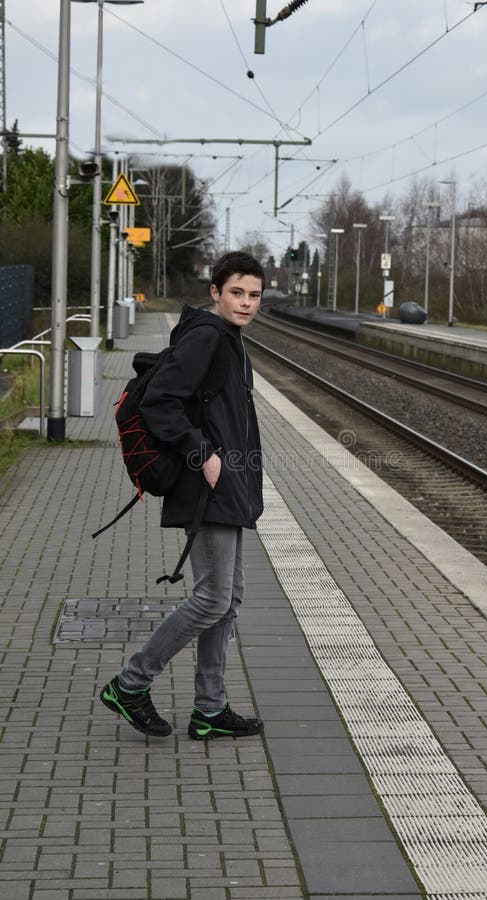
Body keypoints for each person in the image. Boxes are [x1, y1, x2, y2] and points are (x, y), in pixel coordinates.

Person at [100, 251, 265, 740]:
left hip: (227, 481)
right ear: (215, 292)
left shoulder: (228, 339)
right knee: (213, 596)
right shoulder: (207, 337)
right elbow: (161, 401)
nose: (246, 303)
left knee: (227, 597)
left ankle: (210, 709)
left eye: (254, 295)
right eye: (236, 292)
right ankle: (130, 683)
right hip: (207, 483)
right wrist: (203, 455)